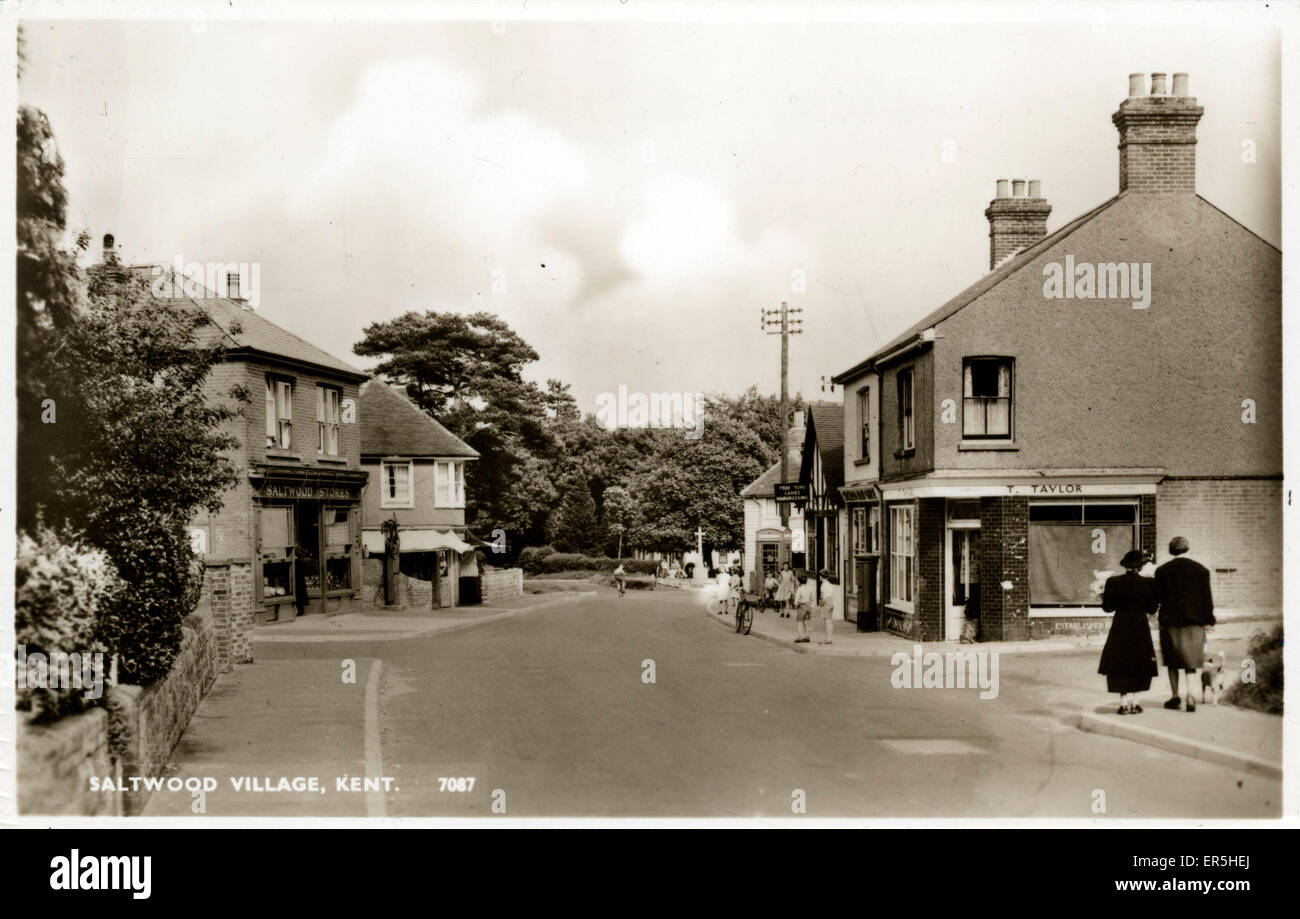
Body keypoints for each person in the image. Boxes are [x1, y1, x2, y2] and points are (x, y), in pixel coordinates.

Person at [1154, 536, 1215, 712]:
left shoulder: (1162, 571)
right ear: (1188, 549)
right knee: (1191, 661)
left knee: (1172, 660)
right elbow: (1207, 599)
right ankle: (1190, 695)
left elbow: (1157, 598)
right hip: (1194, 623)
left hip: (1170, 622)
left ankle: (1174, 696)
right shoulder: (1201, 570)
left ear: (1171, 551)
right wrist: (1209, 619)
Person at [1098, 549, 1159, 714]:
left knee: (1120, 664)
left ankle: (1123, 704)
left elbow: (1107, 608)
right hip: (1140, 627)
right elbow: (1152, 609)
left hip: (1120, 627)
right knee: (1140, 663)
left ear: (1125, 565)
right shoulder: (1149, 583)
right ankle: (1136, 703)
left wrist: (1102, 596)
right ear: (1140, 566)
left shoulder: (1113, 582)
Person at [817, 569, 839, 644]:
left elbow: (824, 596)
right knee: (829, 621)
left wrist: (821, 603)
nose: (819, 577)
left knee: (828, 621)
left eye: (820, 576)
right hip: (830, 602)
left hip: (826, 603)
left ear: (821, 576)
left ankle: (829, 639)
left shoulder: (823, 585)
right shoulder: (830, 584)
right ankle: (829, 637)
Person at [793, 572, 815, 643]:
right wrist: (810, 604)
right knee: (806, 622)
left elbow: (796, 599)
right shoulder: (809, 588)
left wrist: (795, 605)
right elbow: (812, 598)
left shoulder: (799, 589)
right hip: (808, 606)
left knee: (799, 622)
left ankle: (800, 637)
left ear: (799, 581)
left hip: (801, 606)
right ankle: (807, 636)